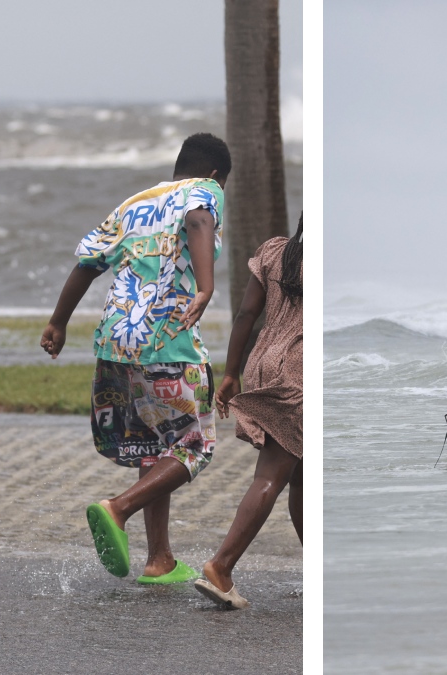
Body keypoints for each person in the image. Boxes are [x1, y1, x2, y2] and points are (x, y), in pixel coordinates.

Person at [40, 132, 229, 586]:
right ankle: (118, 508)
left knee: (154, 445)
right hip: (168, 344)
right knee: (194, 446)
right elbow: (199, 220)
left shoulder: (133, 204)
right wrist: (206, 286)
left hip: (116, 344)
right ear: (215, 174)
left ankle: (160, 559)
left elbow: (88, 263)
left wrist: (58, 322)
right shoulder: (205, 190)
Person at [196, 216, 304, 610]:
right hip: (299, 368)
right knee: (272, 475)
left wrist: (231, 374)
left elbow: (245, 314)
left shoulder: (276, 252)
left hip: (263, 360)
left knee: (301, 478)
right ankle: (220, 567)